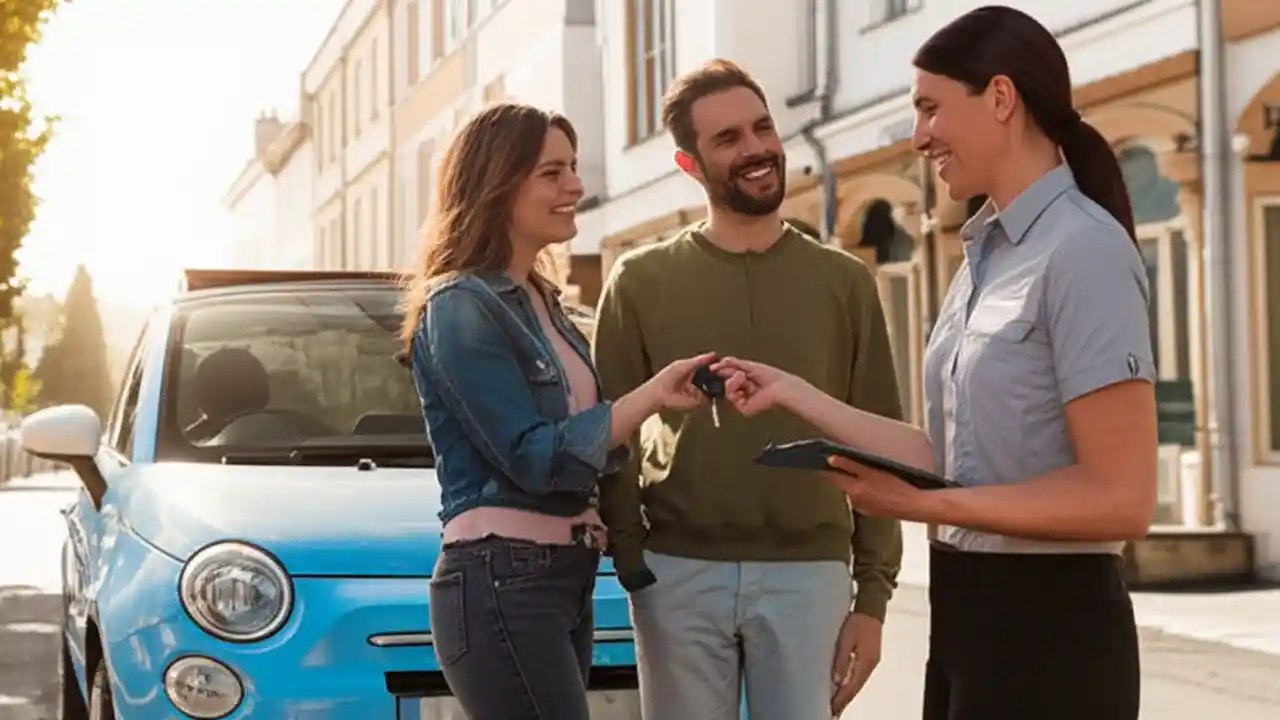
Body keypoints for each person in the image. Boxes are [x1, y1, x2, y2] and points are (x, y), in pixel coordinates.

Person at [713, 6, 1157, 719]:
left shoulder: (1083, 252)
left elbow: (1121, 496)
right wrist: (795, 394)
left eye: (929, 108)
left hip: (1054, 632)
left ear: (1003, 99)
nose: (918, 136)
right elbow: (951, 457)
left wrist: (924, 506)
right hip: (967, 619)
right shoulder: (985, 258)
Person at [592, 59, 905, 719]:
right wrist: (631, 558)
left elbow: (880, 440)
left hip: (811, 576)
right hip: (676, 572)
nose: (757, 148)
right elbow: (607, 429)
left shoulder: (844, 281)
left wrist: (872, 600)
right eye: (728, 138)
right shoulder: (638, 280)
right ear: (689, 164)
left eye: (762, 128)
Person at [400, 102, 715, 720]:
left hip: (559, 576)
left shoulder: (545, 303)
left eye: (572, 168)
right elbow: (536, 459)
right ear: (497, 182)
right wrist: (647, 397)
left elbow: (584, 450)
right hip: (502, 581)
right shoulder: (461, 307)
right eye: (553, 172)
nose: (575, 186)